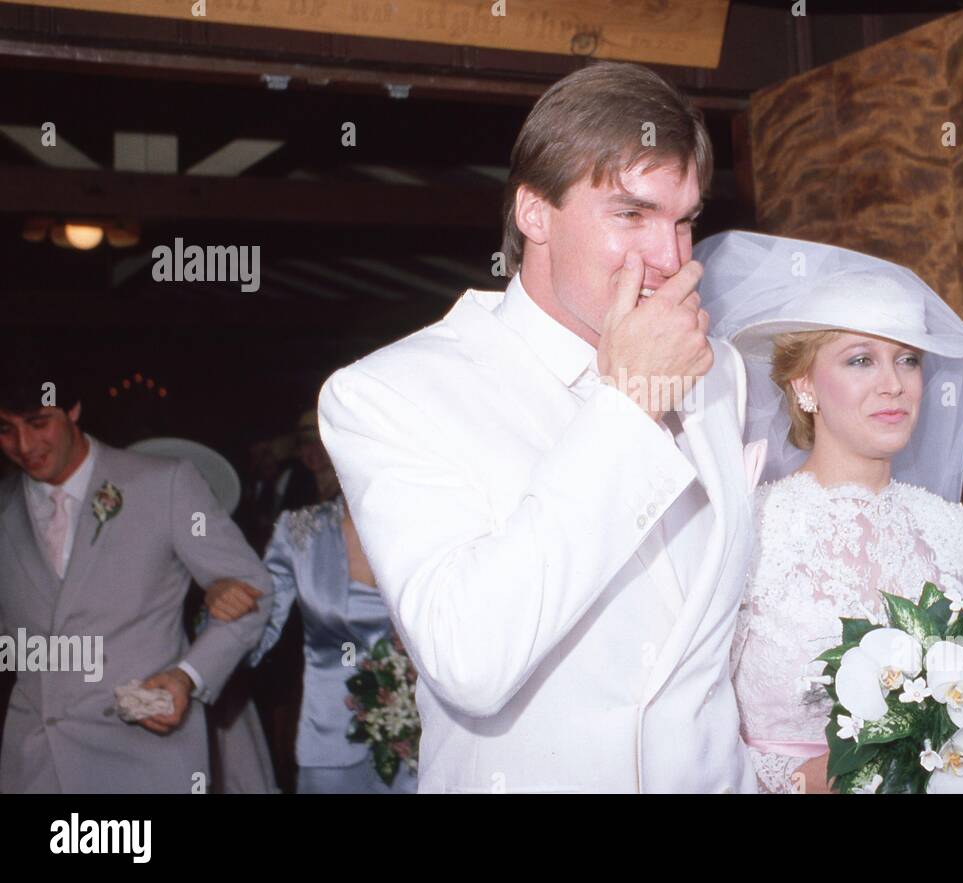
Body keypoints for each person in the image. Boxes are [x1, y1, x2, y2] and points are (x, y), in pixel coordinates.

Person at [316, 61, 764, 793]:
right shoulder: (387, 393)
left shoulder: (721, 371)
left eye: (684, 220)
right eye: (631, 215)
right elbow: (471, 660)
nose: (672, 258)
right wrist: (629, 406)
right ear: (534, 213)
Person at [696, 231, 963, 793]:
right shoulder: (752, 524)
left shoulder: (955, 531)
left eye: (907, 360)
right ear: (804, 384)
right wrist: (798, 780)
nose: (893, 385)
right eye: (861, 360)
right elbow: (693, 718)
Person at [0, 350, 273, 793]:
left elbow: (254, 590)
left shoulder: (162, 484)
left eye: (37, 423)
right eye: (6, 430)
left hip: (142, 754)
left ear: (72, 409)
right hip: (36, 763)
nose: (24, 446)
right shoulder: (4, 506)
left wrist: (189, 676)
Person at [207, 433, 417, 793]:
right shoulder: (300, 530)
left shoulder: (434, 530)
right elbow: (257, 625)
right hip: (329, 743)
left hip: (423, 743)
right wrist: (216, 610)